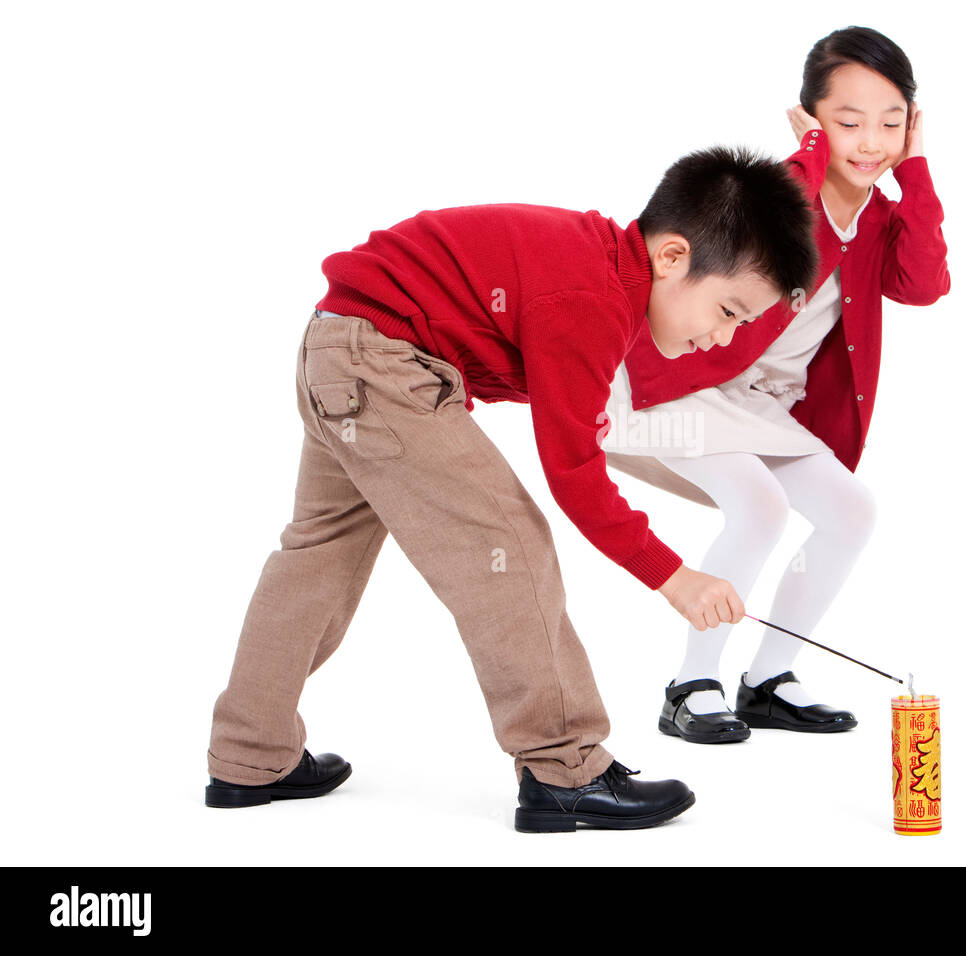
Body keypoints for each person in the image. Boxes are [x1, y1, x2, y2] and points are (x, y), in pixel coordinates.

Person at [202, 142, 819, 832]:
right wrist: (674, 576)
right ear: (673, 258)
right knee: (507, 545)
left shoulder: (594, 269)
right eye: (730, 310)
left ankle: (250, 755)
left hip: (339, 348)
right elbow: (574, 476)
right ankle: (565, 770)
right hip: (381, 362)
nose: (724, 335)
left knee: (321, 549)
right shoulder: (591, 298)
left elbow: (588, 433)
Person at [601, 26, 952, 743]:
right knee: (758, 507)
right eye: (848, 121)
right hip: (683, 378)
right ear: (811, 120)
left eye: (891, 122)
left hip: (761, 407)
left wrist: (914, 175)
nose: (869, 141)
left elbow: (923, 284)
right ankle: (690, 684)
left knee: (851, 512)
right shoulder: (774, 191)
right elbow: (780, 211)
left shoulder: (883, 218)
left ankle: (766, 680)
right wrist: (812, 161)